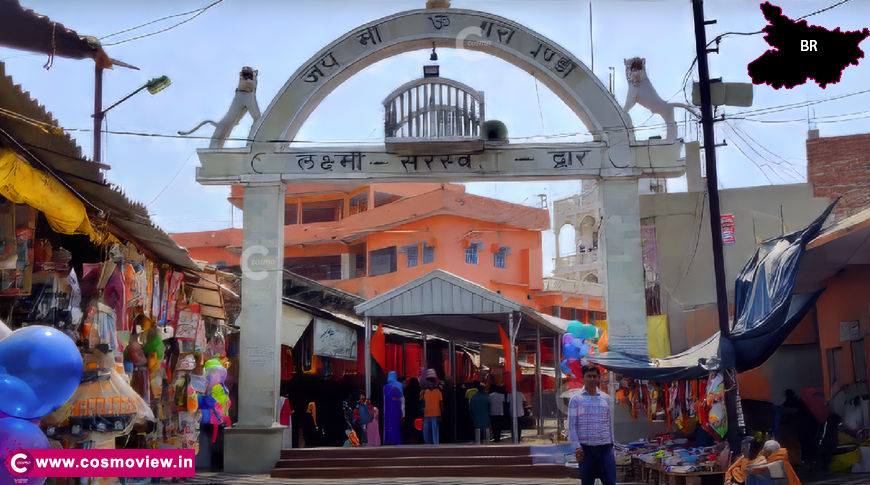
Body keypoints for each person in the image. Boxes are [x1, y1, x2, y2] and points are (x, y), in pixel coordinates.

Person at [568, 364, 616, 485]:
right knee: (587, 482)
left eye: (594, 376)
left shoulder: (607, 399)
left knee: (610, 482)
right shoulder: (576, 400)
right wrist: (577, 447)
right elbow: (572, 426)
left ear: (599, 378)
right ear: (583, 378)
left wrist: (614, 446)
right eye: (588, 376)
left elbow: (611, 423)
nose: (592, 379)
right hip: (586, 451)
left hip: (606, 449)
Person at [383, 371, 404, 445]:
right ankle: (397, 440)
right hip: (397, 408)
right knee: (396, 425)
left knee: (388, 425)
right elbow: (402, 399)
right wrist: (403, 412)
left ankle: (388, 440)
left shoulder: (385, 387)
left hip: (388, 409)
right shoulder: (400, 385)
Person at [422, 372, 443, 445]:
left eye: (429, 381)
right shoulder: (425, 392)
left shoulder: (438, 392)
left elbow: (441, 404)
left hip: (435, 414)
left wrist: (440, 415)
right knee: (426, 432)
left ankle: (435, 446)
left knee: (434, 432)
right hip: (427, 414)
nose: (428, 383)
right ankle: (428, 445)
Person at [403, 377, 423, 444]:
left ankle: (406, 441)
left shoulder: (406, 390)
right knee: (418, 428)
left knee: (408, 427)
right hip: (417, 411)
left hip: (408, 411)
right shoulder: (419, 391)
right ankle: (420, 440)